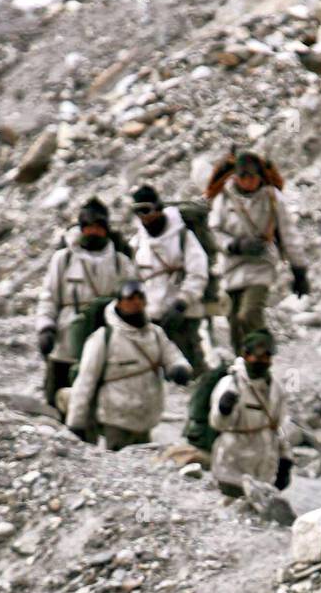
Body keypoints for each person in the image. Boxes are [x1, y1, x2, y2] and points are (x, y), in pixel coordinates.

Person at [65, 278, 190, 450]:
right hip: (116, 419)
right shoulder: (103, 338)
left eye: (140, 298)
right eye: (130, 299)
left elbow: (172, 355)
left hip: (147, 417)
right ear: (119, 303)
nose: (136, 303)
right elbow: (86, 381)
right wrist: (76, 423)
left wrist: (180, 368)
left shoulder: (155, 334)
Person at [35, 196, 137, 407]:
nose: (93, 232)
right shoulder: (63, 260)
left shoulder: (121, 263)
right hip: (66, 340)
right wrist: (46, 327)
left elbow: (135, 302)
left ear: (106, 229)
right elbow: (49, 297)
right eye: (88, 227)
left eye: (98, 227)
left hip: (106, 338)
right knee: (58, 398)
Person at [207, 150, 308, 354]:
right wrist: (234, 245)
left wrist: (299, 270)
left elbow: (288, 233)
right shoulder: (224, 200)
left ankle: (264, 352)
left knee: (249, 314)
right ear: (235, 177)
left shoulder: (272, 198)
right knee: (234, 324)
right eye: (243, 176)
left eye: (252, 176)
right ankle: (243, 365)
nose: (248, 181)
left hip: (261, 264)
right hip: (231, 266)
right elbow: (213, 232)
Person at [129, 185, 210, 376]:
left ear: (158, 208)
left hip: (183, 315)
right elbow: (131, 279)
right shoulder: (137, 243)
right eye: (137, 211)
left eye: (146, 210)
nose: (143, 216)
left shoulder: (183, 236)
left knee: (193, 369)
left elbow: (198, 272)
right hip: (152, 318)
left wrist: (182, 303)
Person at [208, 328, 291, 497]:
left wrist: (285, 459)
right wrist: (224, 410)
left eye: (267, 356)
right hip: (232, 470)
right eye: (258, 356)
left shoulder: (277, 389)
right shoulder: (230, 385)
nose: (263, 361)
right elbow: (218, 424)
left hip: (263, 474)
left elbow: (278, 427)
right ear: (246, 356)